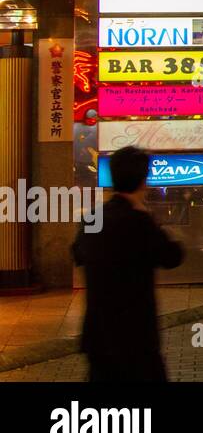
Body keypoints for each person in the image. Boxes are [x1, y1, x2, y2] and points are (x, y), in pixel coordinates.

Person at [73, 146, 185, 381]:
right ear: (144, 181)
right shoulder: (140, 223)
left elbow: (77, 254)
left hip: (98, 337)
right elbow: (172, 256)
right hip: (135, 337)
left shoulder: (92, 219)